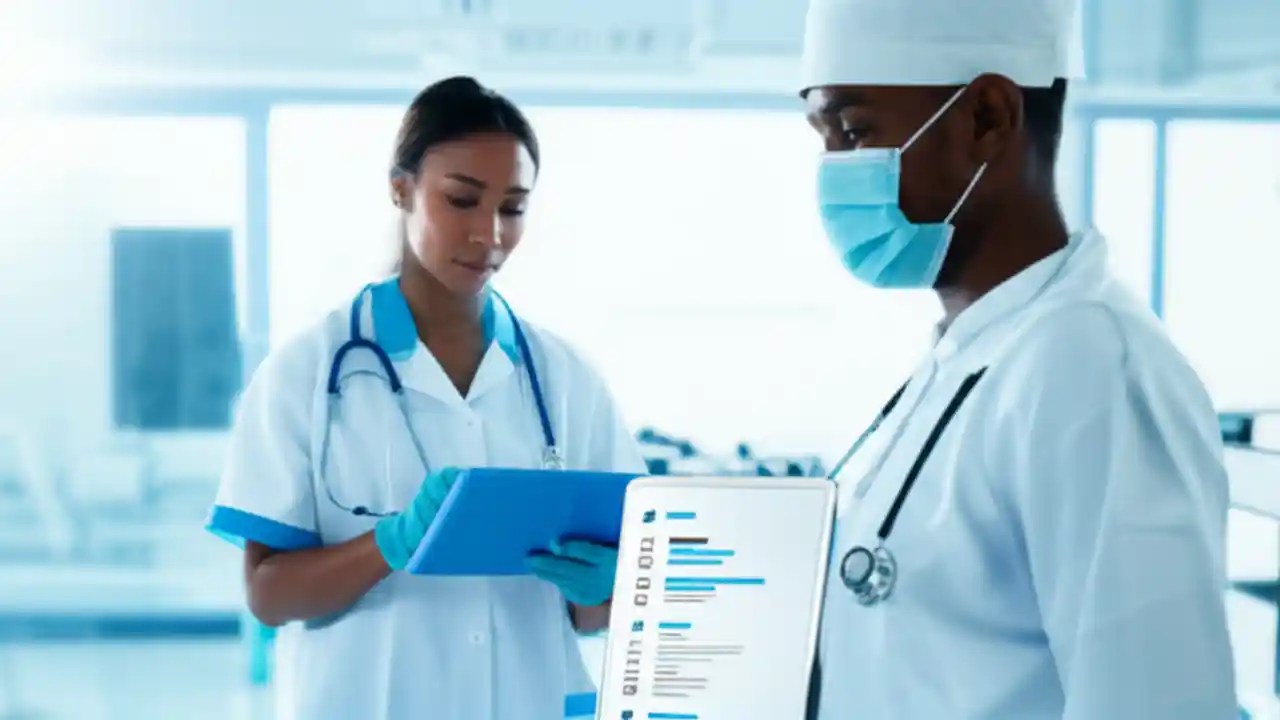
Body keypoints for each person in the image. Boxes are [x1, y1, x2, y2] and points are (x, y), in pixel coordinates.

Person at [800, 0, 1238, 717]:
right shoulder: (974, 353)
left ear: (988, 118)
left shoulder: (1091, 366)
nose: (831, 172)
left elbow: (1155, 701)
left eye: (853, 132)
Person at [206, 76, 645, 720]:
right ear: (401, 187)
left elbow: (601, 605)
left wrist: (615, 587)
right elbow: (269, 594)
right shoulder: (306, 372)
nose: (489, 234)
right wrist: (390, 543)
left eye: (513, 208)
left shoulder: (566, 378)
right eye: (461, 200)